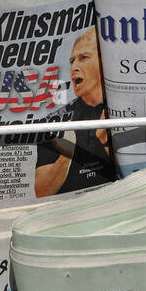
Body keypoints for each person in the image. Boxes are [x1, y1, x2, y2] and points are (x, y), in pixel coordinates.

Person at [34, 27, 114, 195]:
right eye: (72, 61)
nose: (74, 67)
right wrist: (67, 155)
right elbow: (42, 191)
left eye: (83, 58)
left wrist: (105, 143)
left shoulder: (122, 106)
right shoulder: (57, 120)